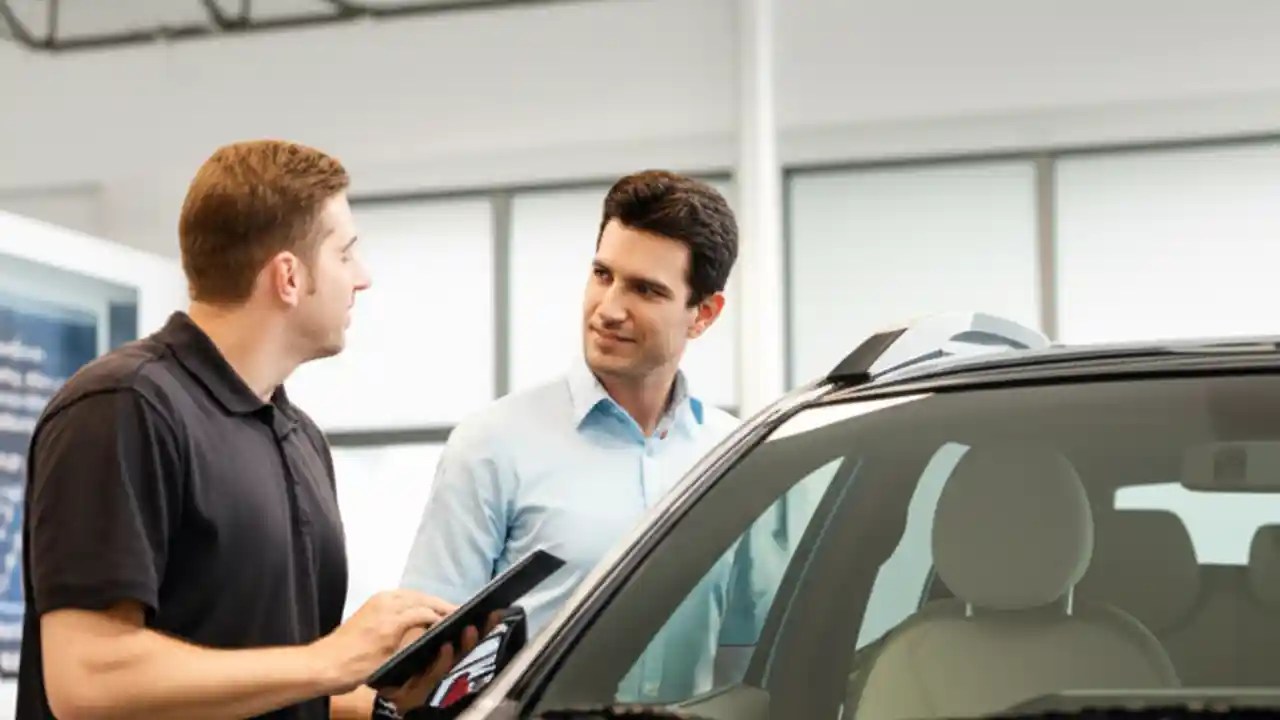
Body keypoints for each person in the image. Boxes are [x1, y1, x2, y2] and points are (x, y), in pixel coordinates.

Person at [16, 140, 479, 720]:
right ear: (288, 276)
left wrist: (389, 701)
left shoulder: (299, 438)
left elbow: (273, 676)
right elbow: (87, 678)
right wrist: (332, 660)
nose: (362, 278)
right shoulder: (121, 408)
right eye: (345, 254)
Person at [399, 170, 745, 703]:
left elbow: (749, 653)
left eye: (646, 290)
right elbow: (421, 667)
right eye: (602, 274)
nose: (608, 309)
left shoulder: (736, 456)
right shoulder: (492, 444)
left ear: (703, 315)